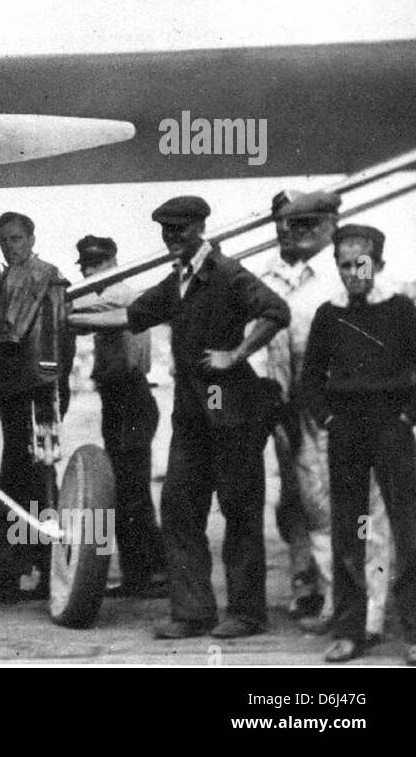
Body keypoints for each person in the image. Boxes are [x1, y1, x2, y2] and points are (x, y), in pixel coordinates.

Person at [70, 196, 289, 639]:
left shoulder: (227, 273)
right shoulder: (178, 281)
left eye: (180, 230)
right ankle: (193, 613)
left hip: (231, 409)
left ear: (200, 228)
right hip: (191, 414)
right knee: (179, 509)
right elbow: (130, 315)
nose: (172, 237)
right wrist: (68, 317)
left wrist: (236, 355)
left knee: (239, 511)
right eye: (166, 230)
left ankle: (247, 614)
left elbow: (276, 311)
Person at [250, 190, 392, 638]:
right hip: (300, 413)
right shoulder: (268, 278)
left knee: (367, 515)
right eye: (293, 223)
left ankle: (372, 612)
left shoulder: (348, 276)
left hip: (356, 413)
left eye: (312, 223)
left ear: (333, 222)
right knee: (314, 511)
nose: (300, 232)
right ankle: (334, 601)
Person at [300, 224, 416, 665]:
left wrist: (407, 416)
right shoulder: (329, 315)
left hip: (392, 428)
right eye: (344, 265)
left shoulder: (401, 309)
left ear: (378, 264)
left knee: (408, 529)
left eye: (360, 264)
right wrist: (328, 418)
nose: (352, 273)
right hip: (346, 430)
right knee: (348, 530)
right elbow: (310, 379)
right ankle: (350, 631)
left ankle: (413, 631)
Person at [0, 212, 73, 605]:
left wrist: (55, 394)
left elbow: (58, 337)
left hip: (37, 393)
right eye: (4, 240)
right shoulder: (14, 279)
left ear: (32, 238)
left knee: (32, 480)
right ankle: (26, 571)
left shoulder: (46, 277)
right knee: (24, 480)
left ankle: (19, 574)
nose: (10, 247)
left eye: (17, 239)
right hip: (16, 392)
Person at [70, 235, 167, 598]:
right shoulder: (105, 297)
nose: (88, 272)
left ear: (111, 262)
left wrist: (58, 308)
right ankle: (141, 574)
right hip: (119, 399)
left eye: (95, 265)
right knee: (126, 489)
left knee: (131, 490)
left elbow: (75, 315)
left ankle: (151, 574)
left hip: (130, 397)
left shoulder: (118, 294)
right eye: (86, 266)